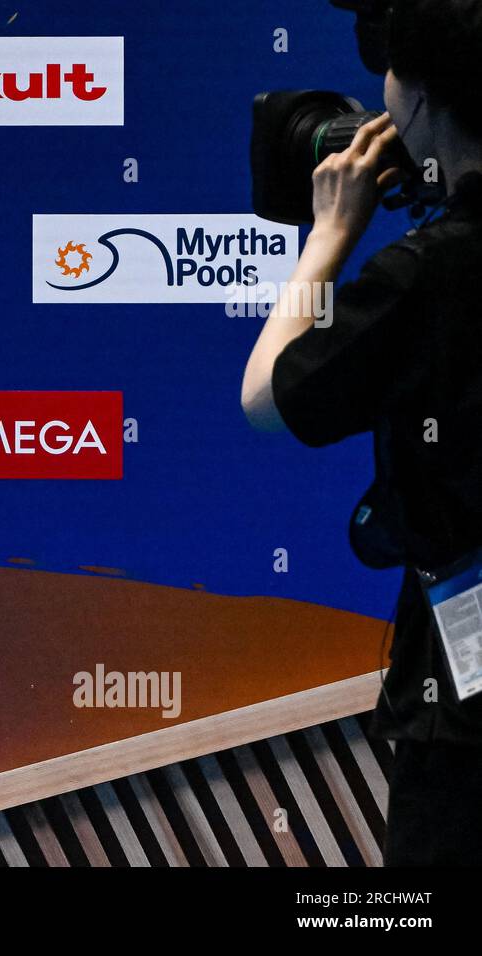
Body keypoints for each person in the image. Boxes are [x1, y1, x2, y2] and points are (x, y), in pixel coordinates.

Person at [241, 0, 482, 865]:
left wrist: (330, 235)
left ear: (416, 99)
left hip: (464, 708)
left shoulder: (432, 270)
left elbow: (271, 396)